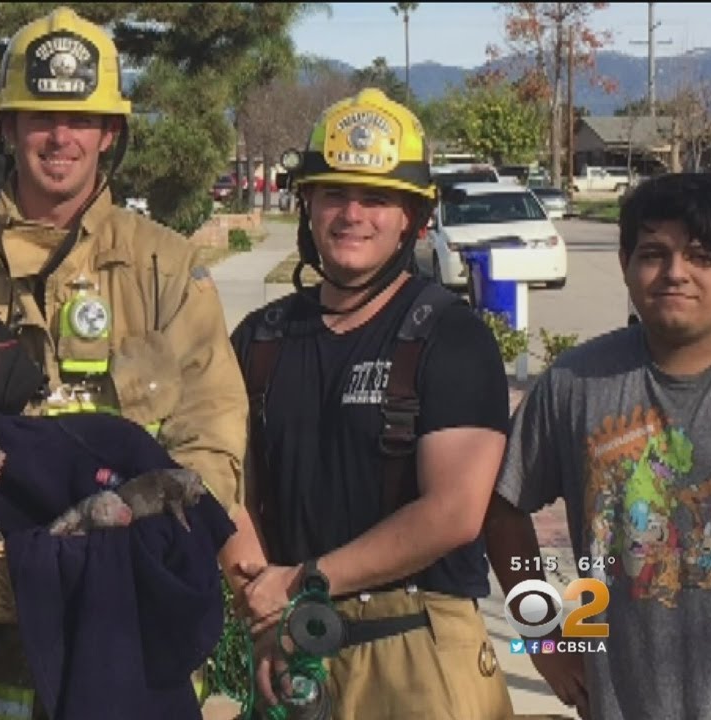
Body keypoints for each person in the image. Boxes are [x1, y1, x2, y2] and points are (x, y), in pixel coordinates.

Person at [0, 6, 255, 718]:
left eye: (80, 119)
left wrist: (128, 536)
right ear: (7, 128)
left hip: (123, 645)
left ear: (109, 135)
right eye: (37, 116)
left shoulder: (167, 272)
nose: (59, 137)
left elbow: (212, 442)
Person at [227, 87, 515, 719]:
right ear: (306, 205)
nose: (351, 214)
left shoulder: (450, 336)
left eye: (377, 199)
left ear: (414, 218)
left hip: (418, 644)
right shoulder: (260, 337)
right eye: (334, 194)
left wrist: (301, 582)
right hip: (288, 643)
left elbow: (454, 512)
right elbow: (228, 485)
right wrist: (262, 603)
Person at [487, 172, 711, 720]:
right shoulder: (574, 384)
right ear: (625, 264)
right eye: (654, 253)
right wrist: (545, 640)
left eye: (702, 255)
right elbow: (501, 511)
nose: (675, 273)